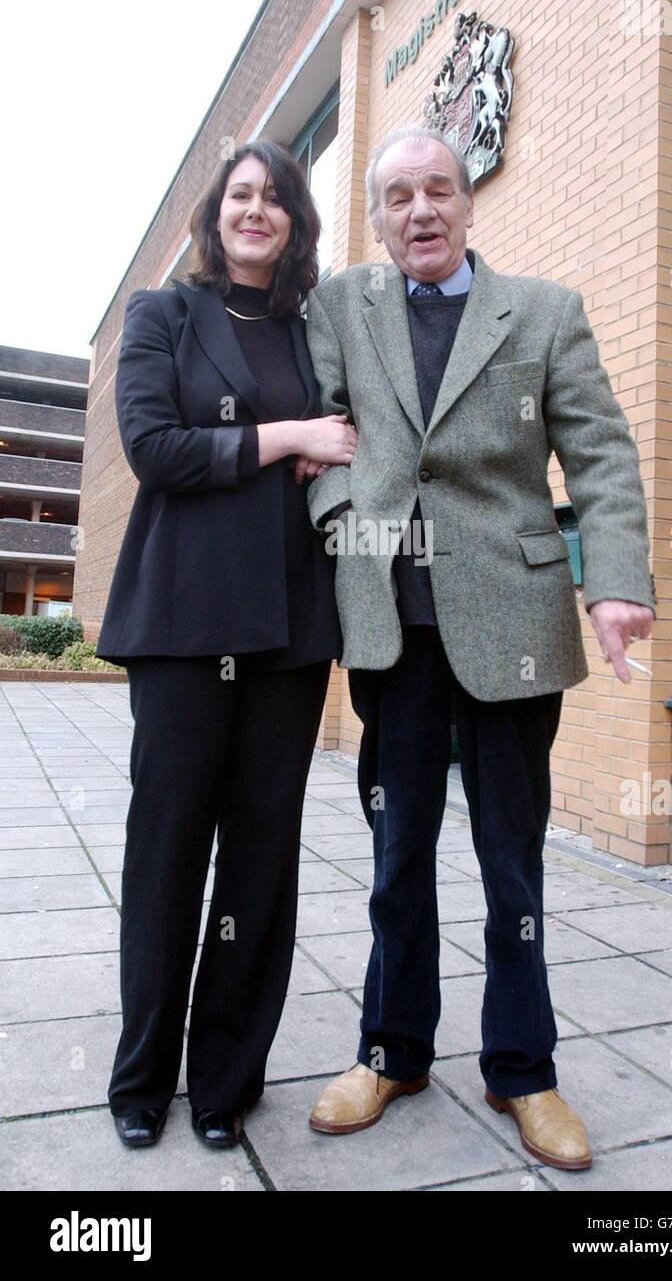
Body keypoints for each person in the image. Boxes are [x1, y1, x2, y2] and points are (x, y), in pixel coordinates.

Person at [303, 124, 657, 1170]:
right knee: (396, 853)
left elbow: (597, 448)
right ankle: (391, 1048)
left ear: (467, 204)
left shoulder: (542, 311)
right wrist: (345, 523)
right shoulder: (341, 309)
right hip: (390, 630)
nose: (421, 211)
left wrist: (617, 583)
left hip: (514, 623)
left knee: (512, 861)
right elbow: (321, 434)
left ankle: (524, 1069)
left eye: (439, 192)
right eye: (399, 195)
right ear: (375, 216)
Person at [96, 139, 356, 1150]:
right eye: (240, 194)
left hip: (290, 630)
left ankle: (223, 1082)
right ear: (217, 214)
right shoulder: (164, 314)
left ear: (295, 218)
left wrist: (328, 449)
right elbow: (155, 448)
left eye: (275, 197)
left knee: (259, 860)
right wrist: (288, 441)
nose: (257, 209)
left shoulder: (310, 325)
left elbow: (355, 431)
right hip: (183, 624)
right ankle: (140, 1074)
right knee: (166, 853)